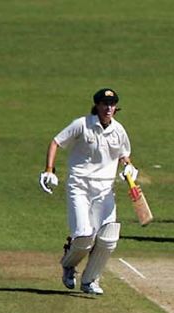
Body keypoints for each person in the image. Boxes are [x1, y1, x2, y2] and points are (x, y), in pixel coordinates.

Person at [40, 88, 137, 296]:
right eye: (104, 104)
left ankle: (90, 280)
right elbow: (56, 141)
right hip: (80, 186)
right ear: (97, 106)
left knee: (109, 238)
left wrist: (128, 167)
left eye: (112, 104)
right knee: (84, 236)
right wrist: (49, 170)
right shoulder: (82, 124)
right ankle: (68, 263)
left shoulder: (119, 130)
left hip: (105, 190)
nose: (108, 108)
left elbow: (124, 154)